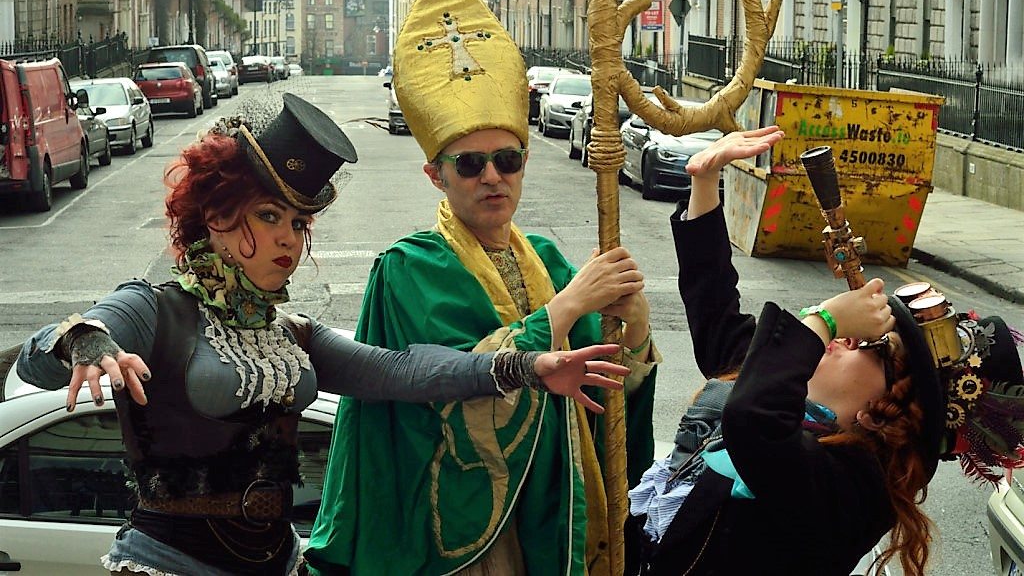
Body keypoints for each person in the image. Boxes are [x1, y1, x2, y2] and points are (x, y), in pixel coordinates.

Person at [16, 93, 635, 576]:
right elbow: (54, 347)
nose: (288, 238)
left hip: (278, 562)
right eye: (268, 217)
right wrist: (88, 345)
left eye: (297, 222)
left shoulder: (292, 333)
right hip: (170, 563)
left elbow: (401, 372)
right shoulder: (157, 310)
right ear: (216, 218)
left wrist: (527, 368)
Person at [305, 0, 659, 575]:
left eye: (508, 159)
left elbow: (606, 392)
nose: (492, 177)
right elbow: (445, 392)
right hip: (465, 534)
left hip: (552, 510)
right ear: (435, 175)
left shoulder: (548, 260)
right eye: (470, 164)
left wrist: (636, 330)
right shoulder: (406, 269)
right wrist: (567, 308)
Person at [626, 125, 1024, 576]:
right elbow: (719, 323)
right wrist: (704, 181)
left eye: (874, 344)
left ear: (887, 408)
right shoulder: (796, 402)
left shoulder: (855, 486)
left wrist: (825, 320)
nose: (849, 337)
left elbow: (755, 424)